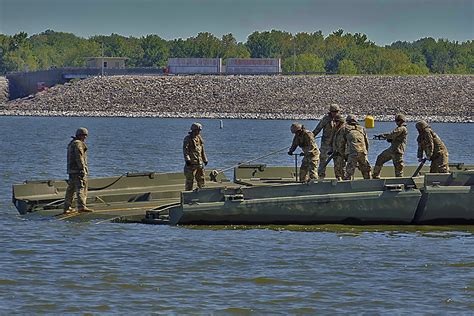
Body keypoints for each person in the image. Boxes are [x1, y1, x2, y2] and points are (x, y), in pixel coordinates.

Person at [63, 127, 92, 214]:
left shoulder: (72, 143)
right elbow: (79, 158)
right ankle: (81, 207)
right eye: (84, 135)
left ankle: (67, 208)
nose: (85, 137)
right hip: (77, 170)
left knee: (71, 190)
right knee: (81, 188)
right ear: (80, 135)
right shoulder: (78, 144)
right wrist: (82, 169)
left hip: (71, 170)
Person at [372, 113, 408, 178]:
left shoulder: (401, 128)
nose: (396, 122)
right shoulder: (400, 128)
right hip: (393, 149)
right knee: (380, 158)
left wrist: (385, 136)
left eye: (397, 121)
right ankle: (375, 176)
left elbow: (392, 135)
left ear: (400, 121)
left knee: (398, 168)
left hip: (397, 151)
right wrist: (383, 136)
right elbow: (392, 136)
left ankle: (400, 181)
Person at [313, 103, 340, 179]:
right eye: (333, 111)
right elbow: (317, 129)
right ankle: (321, 177)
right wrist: (311, 138)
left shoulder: (340, 119)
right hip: (326, 144)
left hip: (336, 144)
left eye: (336, 111)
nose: (335, 113)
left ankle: (339, 177)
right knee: (323, 160)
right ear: (330, 111)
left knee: (338, 161)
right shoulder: (325, 119)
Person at [344, 115, 371, 180]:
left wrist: (344, 155)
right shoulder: (362, 128)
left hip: (352, 153)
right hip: (363, 152)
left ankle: (346, 187)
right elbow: (367, 142)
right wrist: (366, 152)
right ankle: (369, 184)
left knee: (349, 173)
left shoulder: (345, 129)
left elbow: (341, 143)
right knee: (366, 171)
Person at [183, 122, 208, 191]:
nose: (199, 132)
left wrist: (205, 159)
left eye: (199, 130)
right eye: (197, 130)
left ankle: (202, 192)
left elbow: (202, 150)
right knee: (189, 180)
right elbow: (185, 150)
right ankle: (188, 194)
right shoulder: (188, 139)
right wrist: (187, 160)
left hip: (199, 163)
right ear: (194, 130)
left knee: (201, 179)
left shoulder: (199, 138)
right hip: (191, 163)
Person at [331, 114, 347, 181]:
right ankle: (338, 180)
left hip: (342, 154)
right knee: (337, 169)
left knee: (342, 169)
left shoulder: (345, 130)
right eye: (334, 121)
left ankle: (344, 182)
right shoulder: (335, 129)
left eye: (337, 121)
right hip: (336, 153)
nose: (335, 123)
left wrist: (345, 153)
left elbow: (346, 142)